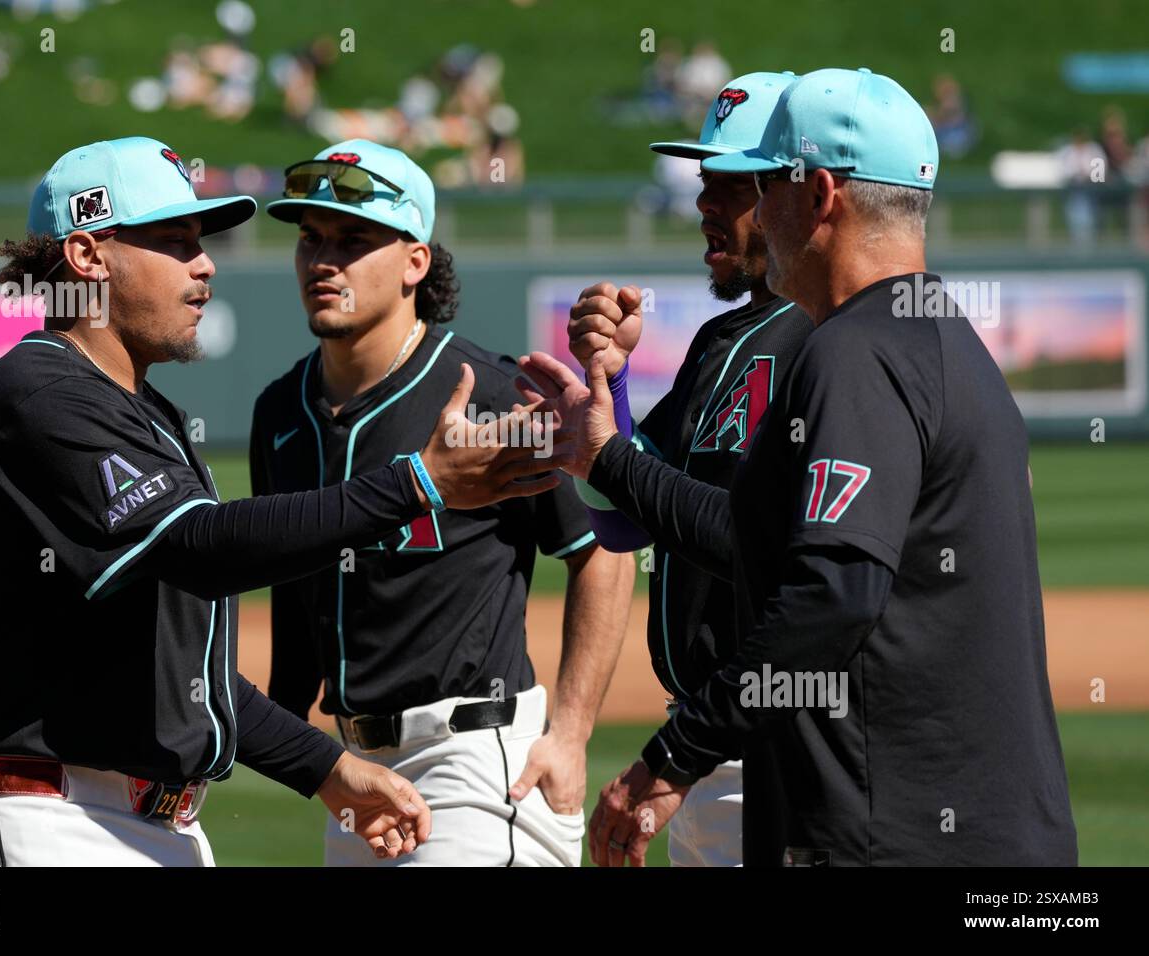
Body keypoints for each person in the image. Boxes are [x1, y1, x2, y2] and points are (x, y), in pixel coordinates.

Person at [0, 136, 572, 867]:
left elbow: (179, 666)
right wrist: (418, 484)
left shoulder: (141, 414)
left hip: (131, 818)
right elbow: (202, 546)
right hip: (42, 811)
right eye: (175, 241)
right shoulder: (41, 393)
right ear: (88, 257)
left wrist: (323, 769)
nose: (205, 265)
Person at [520, 68, 1078, 866]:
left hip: (888, 829)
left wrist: (673, 755)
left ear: (818, 195)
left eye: (761, 182)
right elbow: (770, 546)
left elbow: (829, 594)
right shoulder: (948, 342)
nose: (732, 204)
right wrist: (609, 446)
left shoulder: (853, 351)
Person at [253, 139, 635, 866]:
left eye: (354, 239)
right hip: (358, 778)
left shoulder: (490, 393)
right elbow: (294, 584)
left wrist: (572, 733)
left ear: (415, 262)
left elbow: (602, 551)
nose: (323, 259)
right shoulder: (280, 411)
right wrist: (279, 730)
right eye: (310, 238)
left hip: (476, 763)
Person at [565, 72, 813, 866]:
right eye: (706, 183)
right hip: (700, 748)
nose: (705, 204)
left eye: (732, 187)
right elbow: (622, 515)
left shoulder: (833, 342)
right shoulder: (719, 343)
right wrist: (610, 383)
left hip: (789, 747)